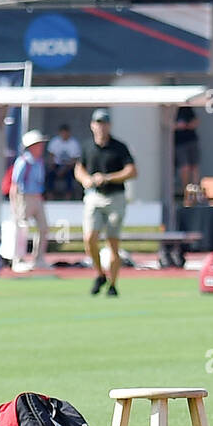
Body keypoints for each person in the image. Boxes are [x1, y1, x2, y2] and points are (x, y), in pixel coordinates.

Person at [76, 109, 136, 297]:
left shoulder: (119, 147)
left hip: (114, 197)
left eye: (104, 123)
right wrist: (86, 179)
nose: (101, 127)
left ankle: (113, 284)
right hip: (94, 195)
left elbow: (132, 171)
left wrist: (108, 178)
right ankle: (100, 274)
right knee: (89, 238)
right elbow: (80, 168)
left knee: (112, 242)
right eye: (98, 123)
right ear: (92, 125)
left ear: (109, 126)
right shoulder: (87, 146)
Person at [10, 130, 50, 272]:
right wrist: (14, 205)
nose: (41, 147)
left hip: (37, 197)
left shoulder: (39, 162)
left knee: (44, 228)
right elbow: (14, 185)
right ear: (31, 146)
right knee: (21, 229)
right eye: (38, 144)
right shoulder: (22, 162)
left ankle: (38, 259)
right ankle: (18, 260)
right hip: (24, 198)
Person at [45, 122, 81, 200]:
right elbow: (51, 156)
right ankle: (50, 196)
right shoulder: (55, 141)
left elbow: (75, 160)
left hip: (69, 167)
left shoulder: (74, 143)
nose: (64, 134)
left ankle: (68, 196)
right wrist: (54, 167)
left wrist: (64, 169)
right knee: (49, 174)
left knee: (70, 176)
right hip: (56, 166)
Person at [174, 104, 200, 201]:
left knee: (194, 167)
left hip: (192, 141)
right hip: (180, 143)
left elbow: (196, 122)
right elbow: (167, 124)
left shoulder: (186, 108)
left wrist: (187, 125)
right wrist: (178, 126)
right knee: (184, 168)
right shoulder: (171, 110)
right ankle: (187, 193)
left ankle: (195, 192)